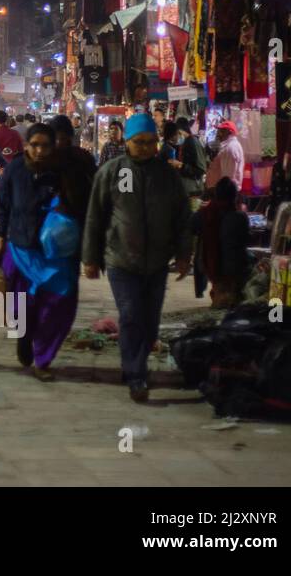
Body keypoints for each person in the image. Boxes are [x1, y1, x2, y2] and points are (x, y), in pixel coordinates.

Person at [81, 113, 191, 402]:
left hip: (157, 262)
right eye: (138, 142)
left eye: (150, 142)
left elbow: (182, 217)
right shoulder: (113, 172)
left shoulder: (167, 175)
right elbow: (96, 216)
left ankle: (135, 364)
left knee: (150, 320)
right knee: (130, 316)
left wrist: (183, 254)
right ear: (127, 142)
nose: (144, 147)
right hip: (121, 260)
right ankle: (136, 374)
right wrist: (90, 257)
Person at [3, 146, 92, 381]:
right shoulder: (19, 169)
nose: (42, 150)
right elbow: (5, 204)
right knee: (21, 303)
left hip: (62, 261)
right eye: (36, 144)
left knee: (56, 310)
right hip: (24, 251)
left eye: (49, 144)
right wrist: (2, 237)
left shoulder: (79, 165)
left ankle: (42, 359)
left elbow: (95, 209)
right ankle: (24, 335)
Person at [0, 123, 59, 267]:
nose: (39, 150)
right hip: (18, 248)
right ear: (26, 145)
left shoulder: (60, 173)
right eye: (35, 145)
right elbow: (3, 206)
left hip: (52, 254)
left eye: (45, 146)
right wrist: (2, 242)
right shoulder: (14, 169)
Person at [190, 176, 250, 308]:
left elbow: (190, 228)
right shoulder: (241, 217)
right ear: (234, 197)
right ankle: (229, 297)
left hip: (211, 265)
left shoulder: (204, 214)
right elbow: (246, 240)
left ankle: (221, 296)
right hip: (234, 269)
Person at [51, 115, 97, 183]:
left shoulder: (83, 158)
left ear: (69, 137)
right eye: (55, 139)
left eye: (62, 138)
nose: (59, 142)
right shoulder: (46, 160)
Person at [175, 117, 208, 205]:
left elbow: (201, 169)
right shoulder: (185, 142)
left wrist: (181, 166)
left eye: (177, 132)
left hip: (193, 190)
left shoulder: (193, 142)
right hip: (187, 189)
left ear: (181, 130)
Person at [206, 121, 245, 190]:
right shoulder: (231, 146)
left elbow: (227, 178)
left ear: (229, 132)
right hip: (223, 191)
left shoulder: (230, 148)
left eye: (221, 131)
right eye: (219, 131)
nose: (218, 134)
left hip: (224, 193)